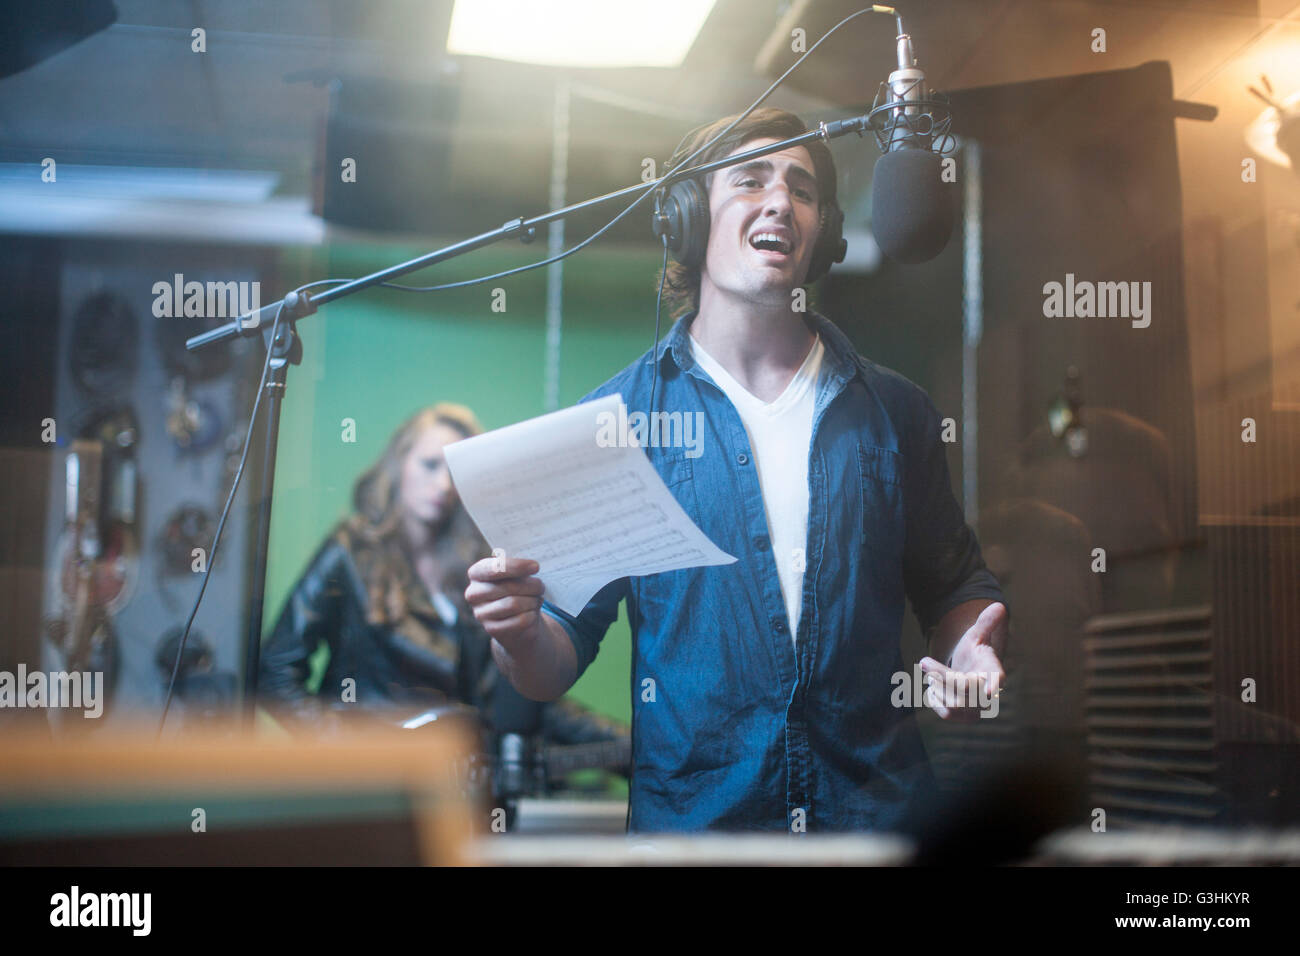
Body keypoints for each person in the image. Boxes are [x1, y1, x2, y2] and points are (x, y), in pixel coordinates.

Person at [464, 108, 1011, 833]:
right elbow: (551, 662)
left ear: (823, 232)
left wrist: (971, 653)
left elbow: (958, 588)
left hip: (873, 827)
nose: (780, 201)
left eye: (803, 190)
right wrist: (516, 631)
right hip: (697, 836)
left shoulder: (896, 411)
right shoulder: (617, 420)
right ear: (690, 219)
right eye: (750, 180)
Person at [259, 403, 627, 764]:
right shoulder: (352, 550)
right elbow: (276, 672)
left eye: (455, 471)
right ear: (398, 464)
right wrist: (356, 754)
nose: (443, 484)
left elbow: (517, 697)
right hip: (365, 793)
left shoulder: (475, 567)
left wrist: (630, 747)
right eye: (430, 464)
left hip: (444, 793)